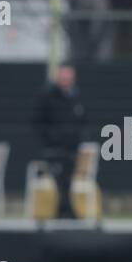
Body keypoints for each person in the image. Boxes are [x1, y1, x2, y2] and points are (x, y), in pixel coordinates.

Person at [32, 64, 85, 218]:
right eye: (63, 77)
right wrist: (50, 140)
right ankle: (64, 210)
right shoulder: (46, 96)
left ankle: (65, 210)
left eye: (69, 78)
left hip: (71, 148)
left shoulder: (76, 97)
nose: (66, 81)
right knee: (60, 177)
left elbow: (82, 121)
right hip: (52, 149)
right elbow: (37, 121)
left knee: (67, 178)